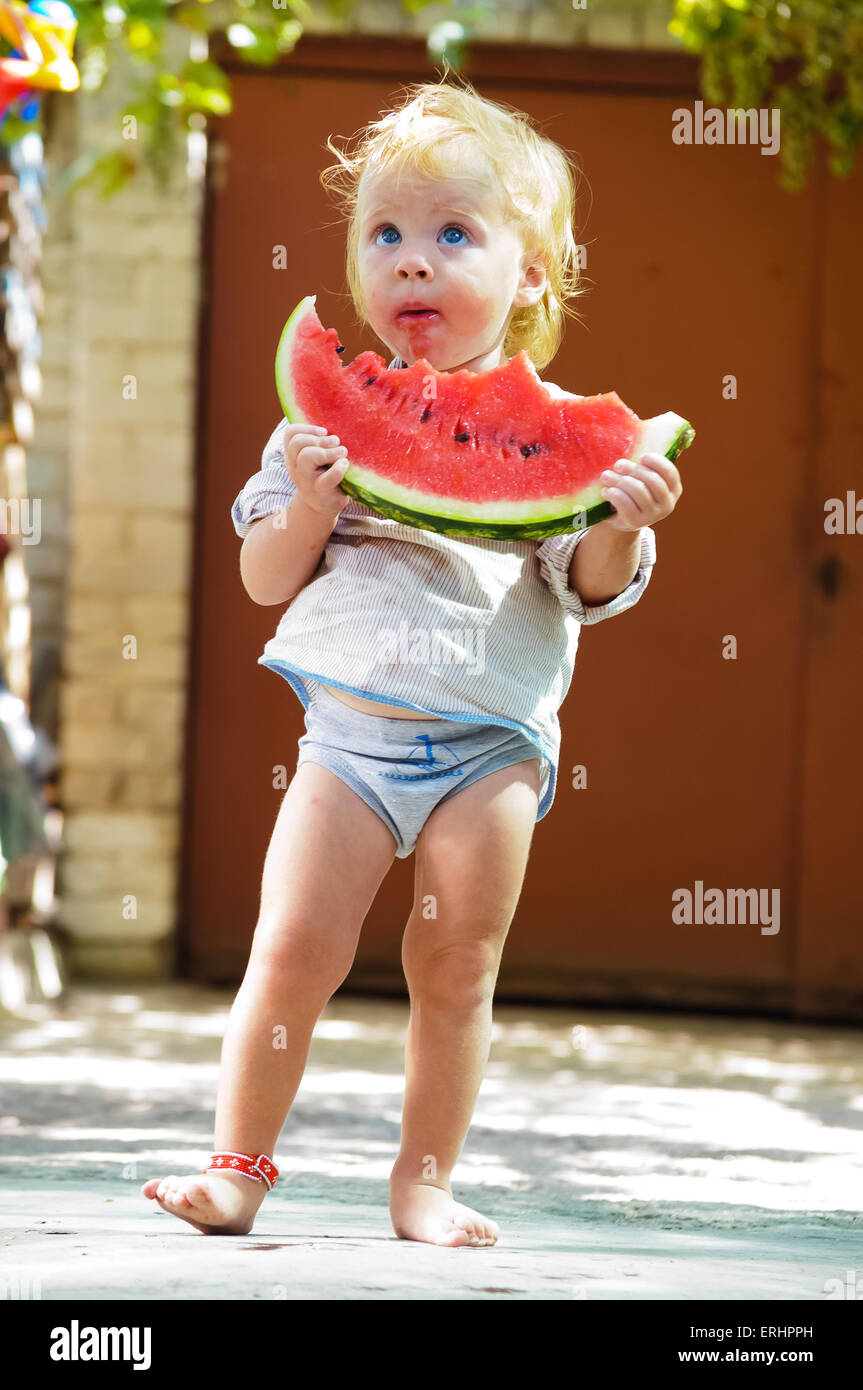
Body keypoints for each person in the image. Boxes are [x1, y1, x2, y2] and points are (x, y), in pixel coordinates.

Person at [142, 76, 683, 1247]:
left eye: (451, 234)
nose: (411, 262)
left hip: (489, 747)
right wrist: (304, 504)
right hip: (346, 740)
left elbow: (586, 588)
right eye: (384, 234)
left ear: (528, 273)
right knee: (291, 948)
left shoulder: (557, 438)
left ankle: (422, 1181)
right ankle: (237, 1167)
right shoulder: (318, 429)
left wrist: (621, 520)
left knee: (454, 966)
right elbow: (263, 578)